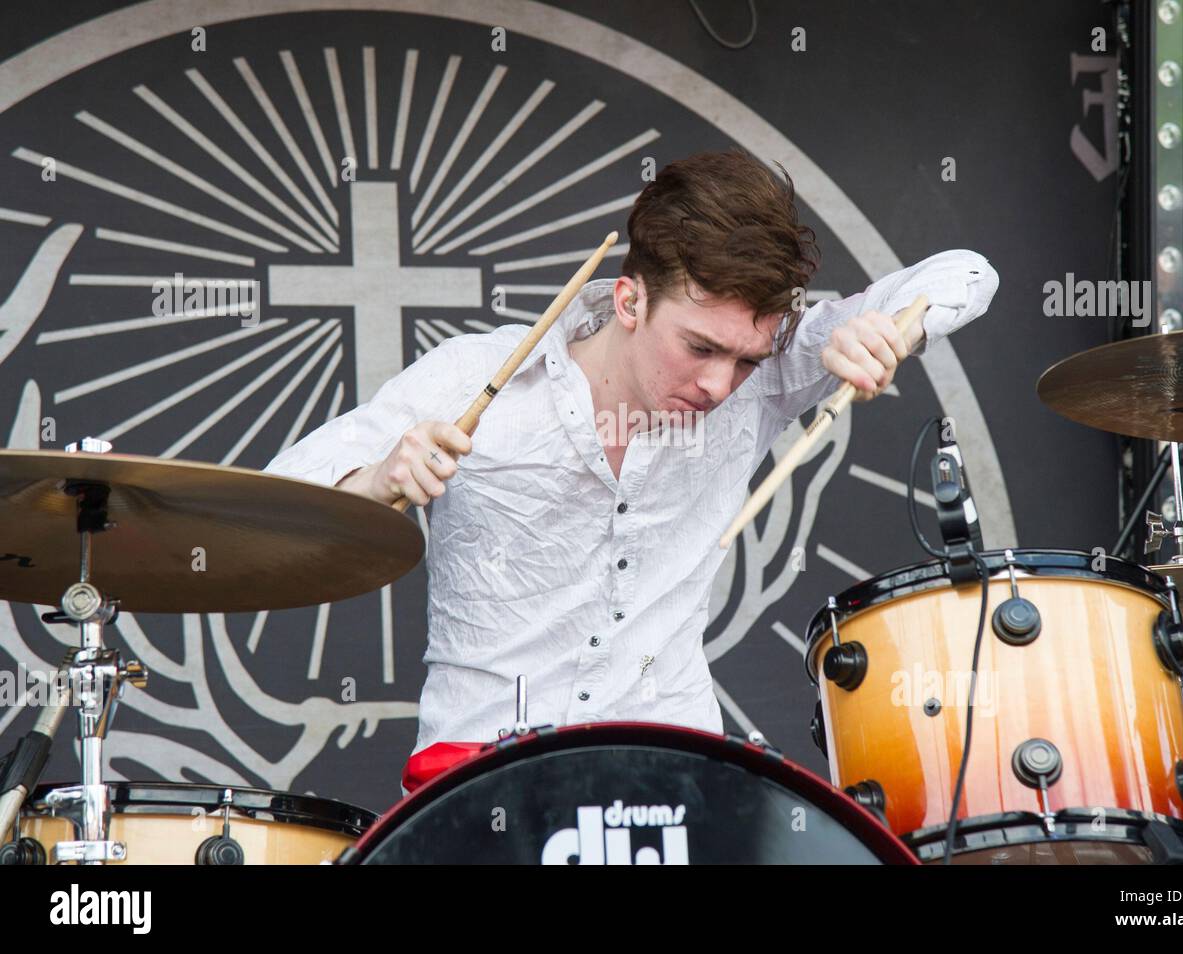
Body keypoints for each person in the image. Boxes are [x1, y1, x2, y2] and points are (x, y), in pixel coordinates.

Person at [264, 149, 998, 788]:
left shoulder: (771, 370)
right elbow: (275, 507)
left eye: (746, 357)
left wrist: (887, 330)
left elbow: (969, 272)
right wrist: (379, 480)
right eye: (700, 348)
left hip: (672, 769)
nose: (720, 384)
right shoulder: (473, 378)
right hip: (475, 773)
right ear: (628, 299)